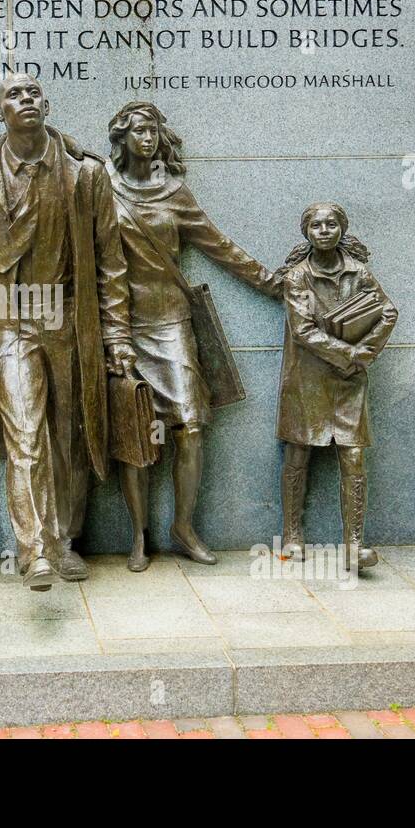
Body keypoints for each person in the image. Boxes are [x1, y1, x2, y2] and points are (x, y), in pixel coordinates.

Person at [0, 73, 135, 590]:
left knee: (69, 435)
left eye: (32, 93)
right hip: (2, 321)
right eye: (12, 95)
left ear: (46, 104)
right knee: (25, 432)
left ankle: (66, 539)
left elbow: (111, 266)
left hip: (68, 319)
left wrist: (117, 336)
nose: (24, 99)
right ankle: (36, 550)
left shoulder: (84, 174)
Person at [105, 101, 282, 571]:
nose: (147, 138)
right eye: (138, 131)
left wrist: (268, 280)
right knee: (137, 434)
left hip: (171, 321)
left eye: (154, 131)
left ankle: (183, 528)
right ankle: (139, 535)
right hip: (124, 325)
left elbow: (217, 244)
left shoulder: (175, 193)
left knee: (191, 425)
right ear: (121, 139)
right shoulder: (103, 190)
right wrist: (111, 334)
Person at [276, 202, 398, 572]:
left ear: (342, 229)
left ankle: (354, 545)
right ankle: (293, 534)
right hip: (305, 378)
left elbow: (388, 311)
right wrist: (349, 353)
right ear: (306, 232)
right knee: (298, 453)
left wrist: (365, 353)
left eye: (331, 224)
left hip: (349, 381)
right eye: (316, 225)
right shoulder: (297, 277)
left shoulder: (359, 273)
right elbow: (303, 329)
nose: (324, 230)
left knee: (354, 456)